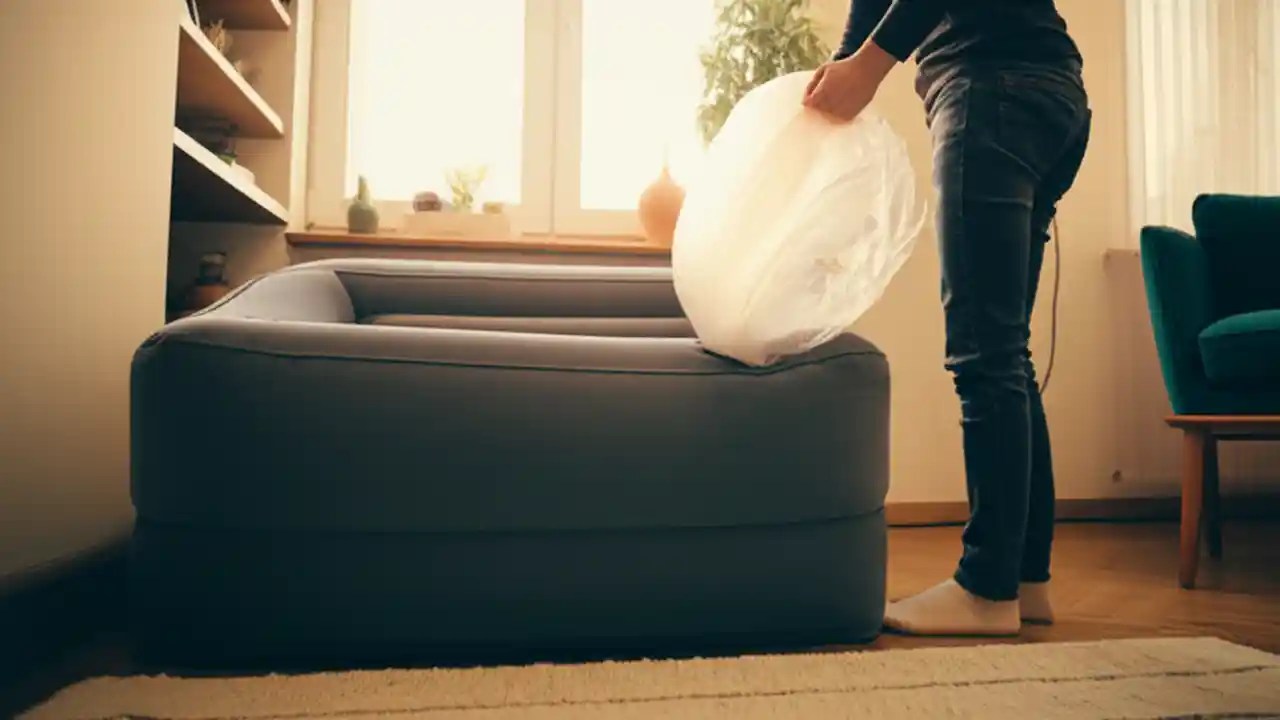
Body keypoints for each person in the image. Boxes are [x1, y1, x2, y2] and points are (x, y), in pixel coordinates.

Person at [804, 0, 1092, 636]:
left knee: (984, 353)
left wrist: (868, 68)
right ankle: (1024, 578)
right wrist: (845, 67)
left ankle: (986, 588)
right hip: (1054, 98)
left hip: (991, 91)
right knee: (1006, 352)